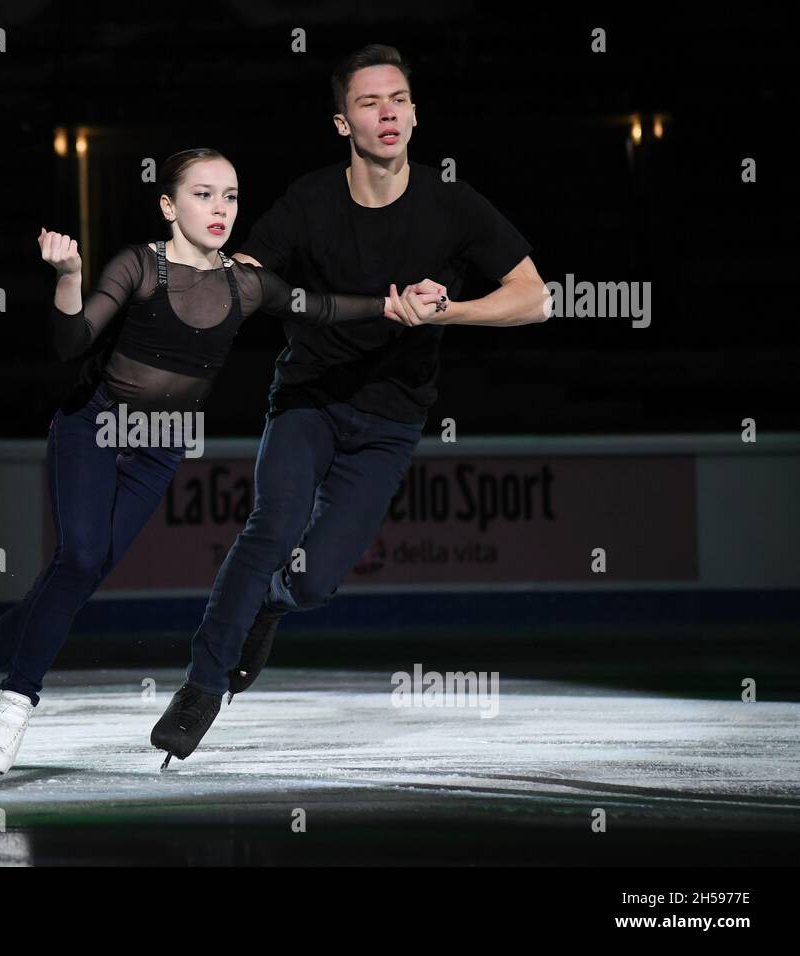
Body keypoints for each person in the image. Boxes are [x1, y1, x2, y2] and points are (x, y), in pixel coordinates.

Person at [0, 147, 447, 786]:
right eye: (204, 194)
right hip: (94, 425)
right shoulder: (140, 267)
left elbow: (319, 307)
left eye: (231, 196)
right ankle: (14, 702)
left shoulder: (247, 283)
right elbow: (72, 343)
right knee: (77, 559)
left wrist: (393, 303)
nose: (220, 209)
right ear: (168, 205)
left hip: (162, 443)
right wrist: (69, 275)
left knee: (82, 573)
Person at [151, 44, 548, 767]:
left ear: (416, 113)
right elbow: (249, 269)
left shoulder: (452, 204)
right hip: (308, 399)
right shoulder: (310, 202)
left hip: (389, 424)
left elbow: (534, 297)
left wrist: (447, 313)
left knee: (314, 580)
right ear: (343, 123)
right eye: (369, 102)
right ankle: (202, 687)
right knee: (272, 527)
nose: (387, 111)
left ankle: (270, 607)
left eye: (397, 98)